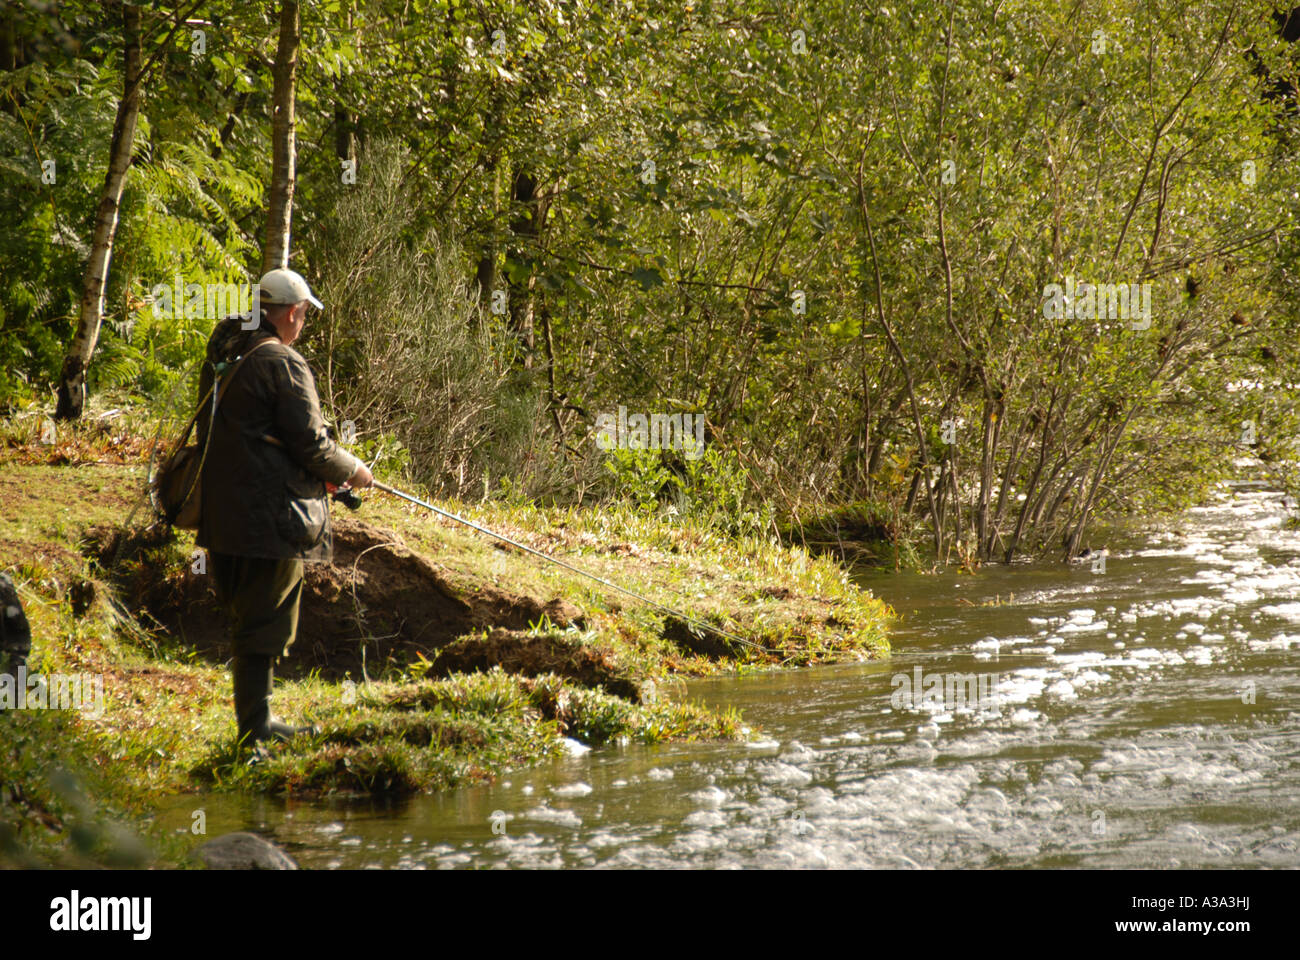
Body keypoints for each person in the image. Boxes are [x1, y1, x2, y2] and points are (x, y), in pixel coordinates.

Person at [195, 267, 373, 747]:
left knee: (250, 620)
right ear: (292, 312)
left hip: (224, 516)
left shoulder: (227, 358)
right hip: (268, 522)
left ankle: (260, 721)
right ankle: (254, 735)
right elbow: (313, 446)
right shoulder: (283, 363)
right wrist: (354, 470)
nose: (303, 325)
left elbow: (246, 440)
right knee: (265, 623)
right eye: (303, 316)